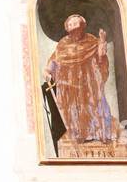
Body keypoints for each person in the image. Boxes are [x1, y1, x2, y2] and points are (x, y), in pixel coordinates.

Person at [43, 13, 114, 149]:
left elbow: (101, 57)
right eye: (70, 25)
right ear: (67, 28)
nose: (73, 27)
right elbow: (55, 59)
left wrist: (102, 41)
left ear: (82, 26)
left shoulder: (91, 40)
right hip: (70, 83)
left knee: (92, 106)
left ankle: (97, 134)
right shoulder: (63, 43)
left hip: (89, 82)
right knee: (73, 108)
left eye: (76, 24)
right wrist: (48, 71)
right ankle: (78, 135)